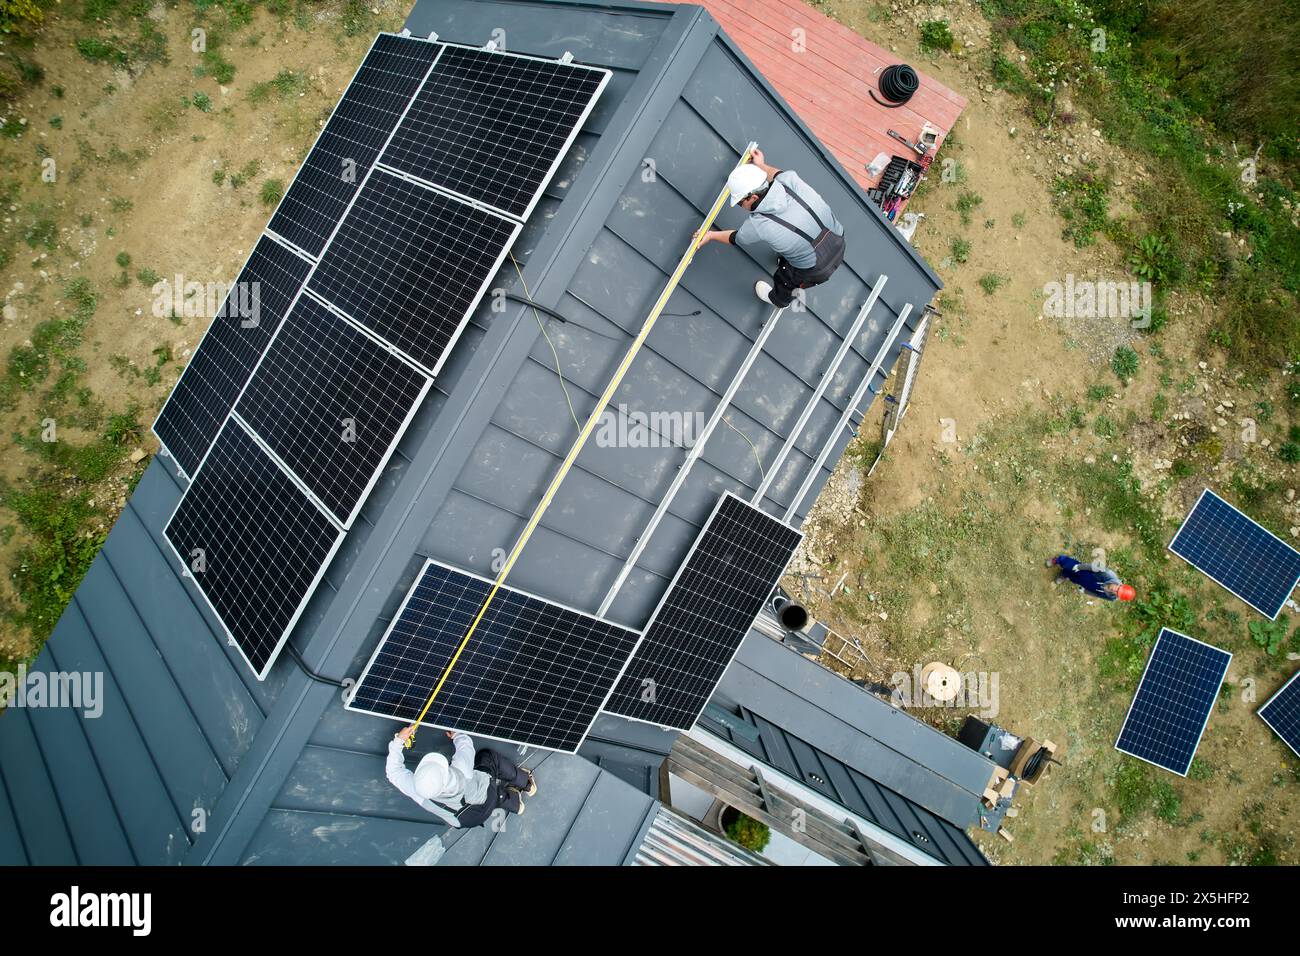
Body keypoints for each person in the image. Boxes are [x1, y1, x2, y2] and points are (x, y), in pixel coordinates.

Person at [696, 148, 846, 308]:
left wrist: (710, 235)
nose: (740, 206)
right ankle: (794, 258)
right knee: (797, 243)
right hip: (839, 239)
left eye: (740, 202)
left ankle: (778, 300)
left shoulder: (759, 224)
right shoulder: (790, 180)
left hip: (816, 270)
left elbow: (735, 238)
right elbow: (775, 174)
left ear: (753, 197)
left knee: (785, 277)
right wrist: (761, 165)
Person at [386, 726, 537, 829]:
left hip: (466, 820)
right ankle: (527, 783)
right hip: (484, 796)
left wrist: (398, 742)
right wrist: (456, 735)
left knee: (492, 800)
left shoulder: (418, 791)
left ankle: (516, 805)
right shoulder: (461, 771)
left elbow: (393, 772)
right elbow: (465, 744)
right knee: (488, 757)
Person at [1047, 554, 1136, 602]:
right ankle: (1058, 560)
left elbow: (1097, 595)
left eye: (1117, 593)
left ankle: (1065, 574)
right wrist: (1080, 567)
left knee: (1074, 579)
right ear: (1121, 585)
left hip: (1087, 584)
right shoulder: (1108, 574)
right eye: (1118, 588)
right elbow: (1093, 567)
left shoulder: (1112, 598)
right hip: (1087, 573)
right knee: (1070, 565)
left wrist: (1085, 591)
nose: (1114, 590)